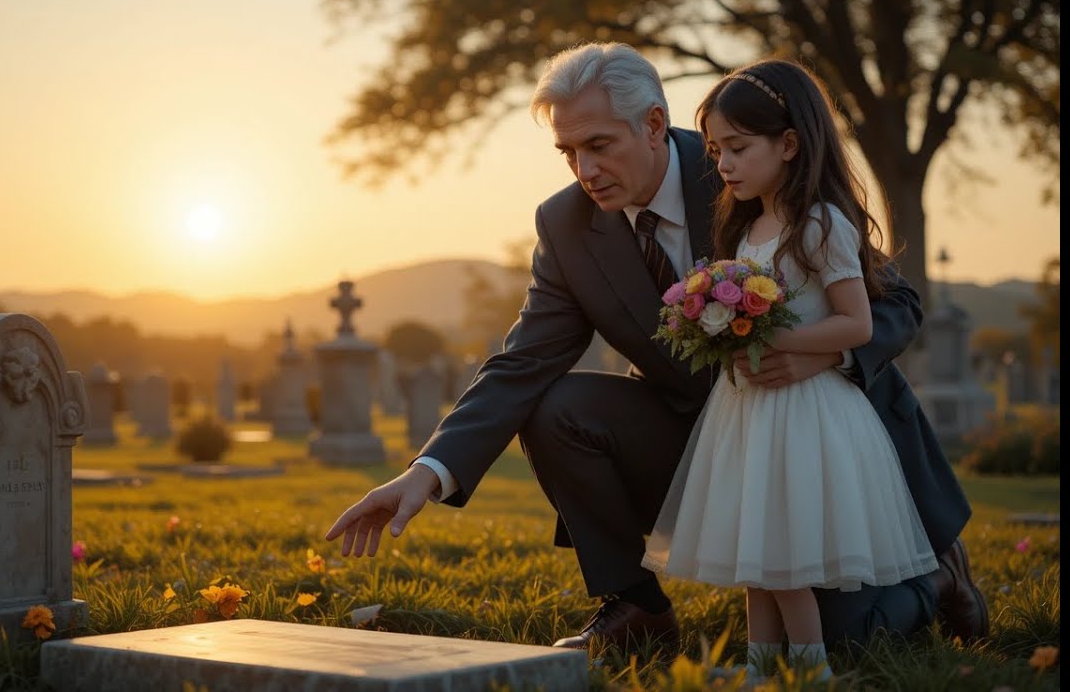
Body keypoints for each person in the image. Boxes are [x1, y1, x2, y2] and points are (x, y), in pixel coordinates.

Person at [324, 42, 987, 656]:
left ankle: (937, 575)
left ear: (652, 124)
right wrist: (427, 471)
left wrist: (822, 353)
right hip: (700, 432)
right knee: (556, 404)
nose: (585, 169)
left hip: (815, 442)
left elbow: (896, 304)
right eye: (567, 152)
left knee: (848, 640)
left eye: (599, 144)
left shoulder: (743, 163)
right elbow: (522, 361)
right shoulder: (565, 224)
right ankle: (635, 607)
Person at [638, 59, 942, 682]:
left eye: (739, 148)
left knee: (788, 556)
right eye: (718, 149)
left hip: (805, 410)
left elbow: (857, 324)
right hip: (751, 411)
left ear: (789, 144)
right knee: (757, 553)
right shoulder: (748, 228)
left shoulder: (821, 223)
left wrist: (777, 342)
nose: (722, 162)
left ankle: (810, 671)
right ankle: (759, 665)